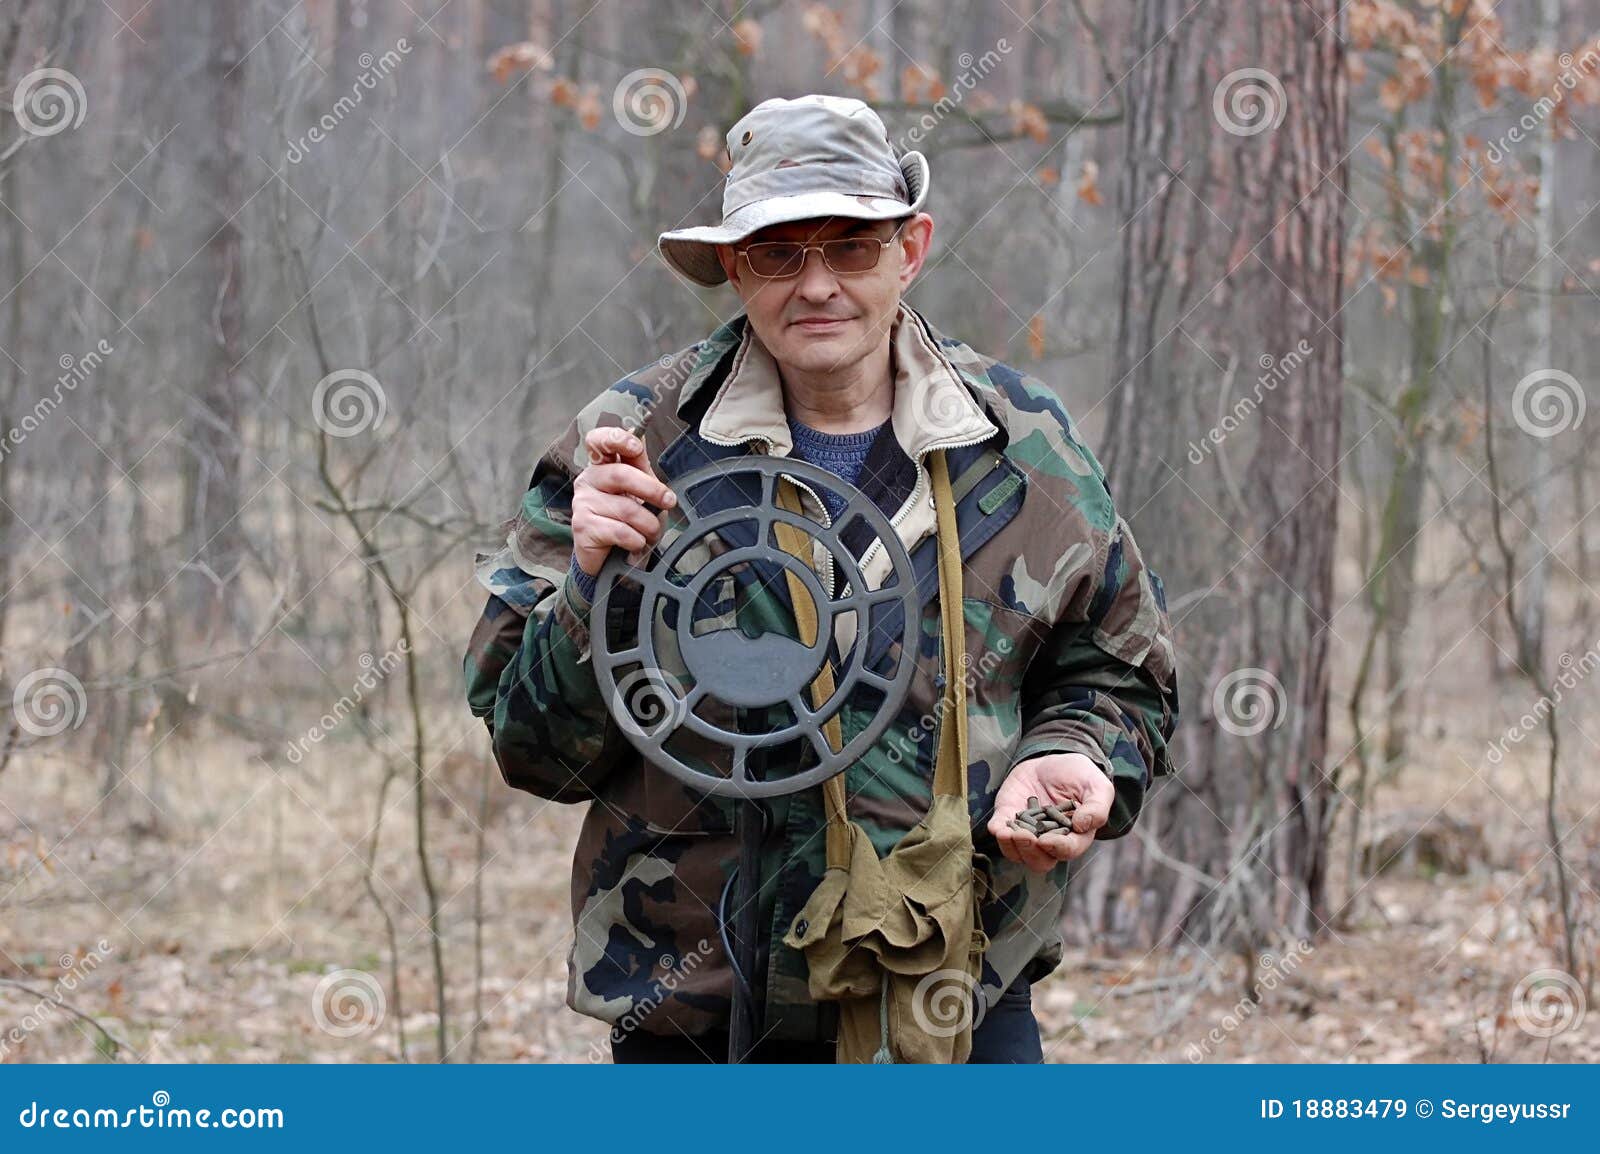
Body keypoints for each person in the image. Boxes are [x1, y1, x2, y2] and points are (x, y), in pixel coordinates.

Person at [464, 94, 1179, 1063]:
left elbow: (1117, 670)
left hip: (956, 987)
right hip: (699, 1003)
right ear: (731, 265)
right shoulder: (638, 442)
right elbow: (532, 748)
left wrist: (1074, 755)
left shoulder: (1023, 442)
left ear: (909, 249)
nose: (817, 284)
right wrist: (591, 583)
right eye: (777, 252)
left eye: (849, 245)